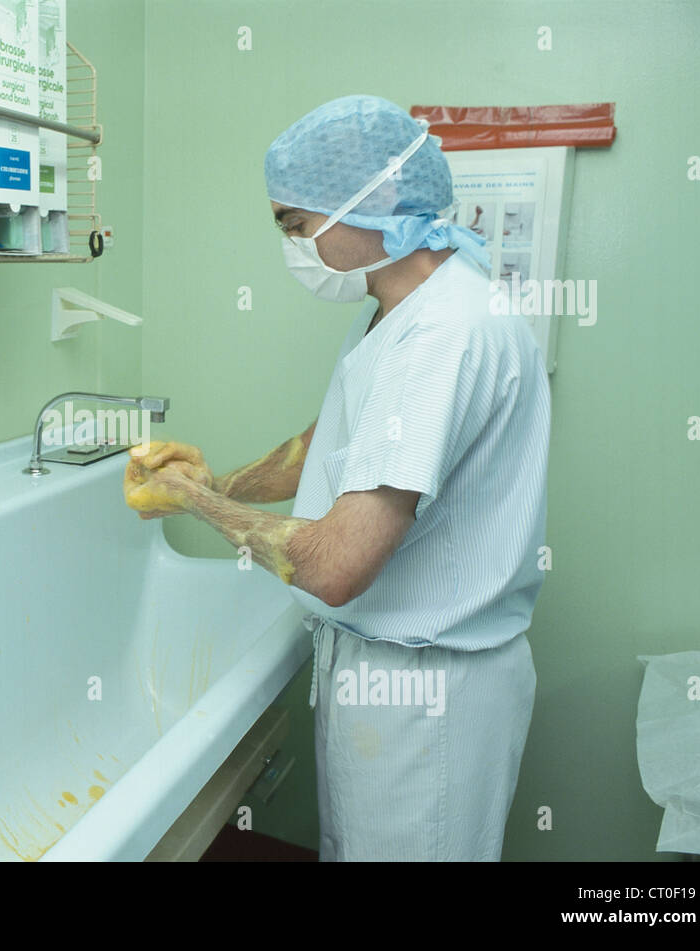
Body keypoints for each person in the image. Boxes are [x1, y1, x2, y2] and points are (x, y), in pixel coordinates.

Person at [123, 95, 550, 861]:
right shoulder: (395, 309)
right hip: (390, 678)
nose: (290, 242)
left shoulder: (441, 336)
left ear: (369, 205)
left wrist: (195, 500)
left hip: (427, 704)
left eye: (295, 222)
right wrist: (220, 478)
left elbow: (336, 564)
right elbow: (331, 442)